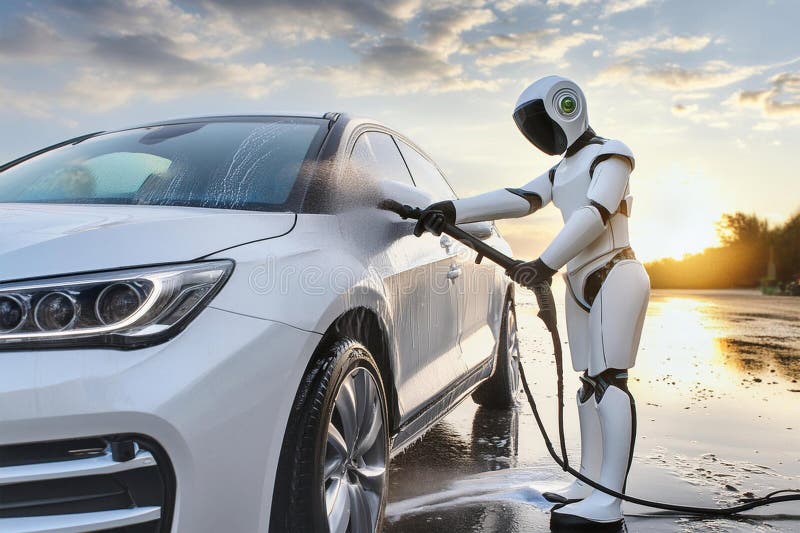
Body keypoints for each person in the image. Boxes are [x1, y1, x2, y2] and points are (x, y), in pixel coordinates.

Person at [413, 75, 650, 529]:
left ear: (566, 107)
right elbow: (520, 198)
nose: (539, 133)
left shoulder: (612, 154)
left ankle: (610, 500)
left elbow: (596, 213)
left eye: (541, 121)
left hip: (615, 273)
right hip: (580, 281)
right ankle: (589, 484)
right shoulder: (563, 169)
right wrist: (453, 208)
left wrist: (545, 263)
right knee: (588, 385)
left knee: (611, 383)